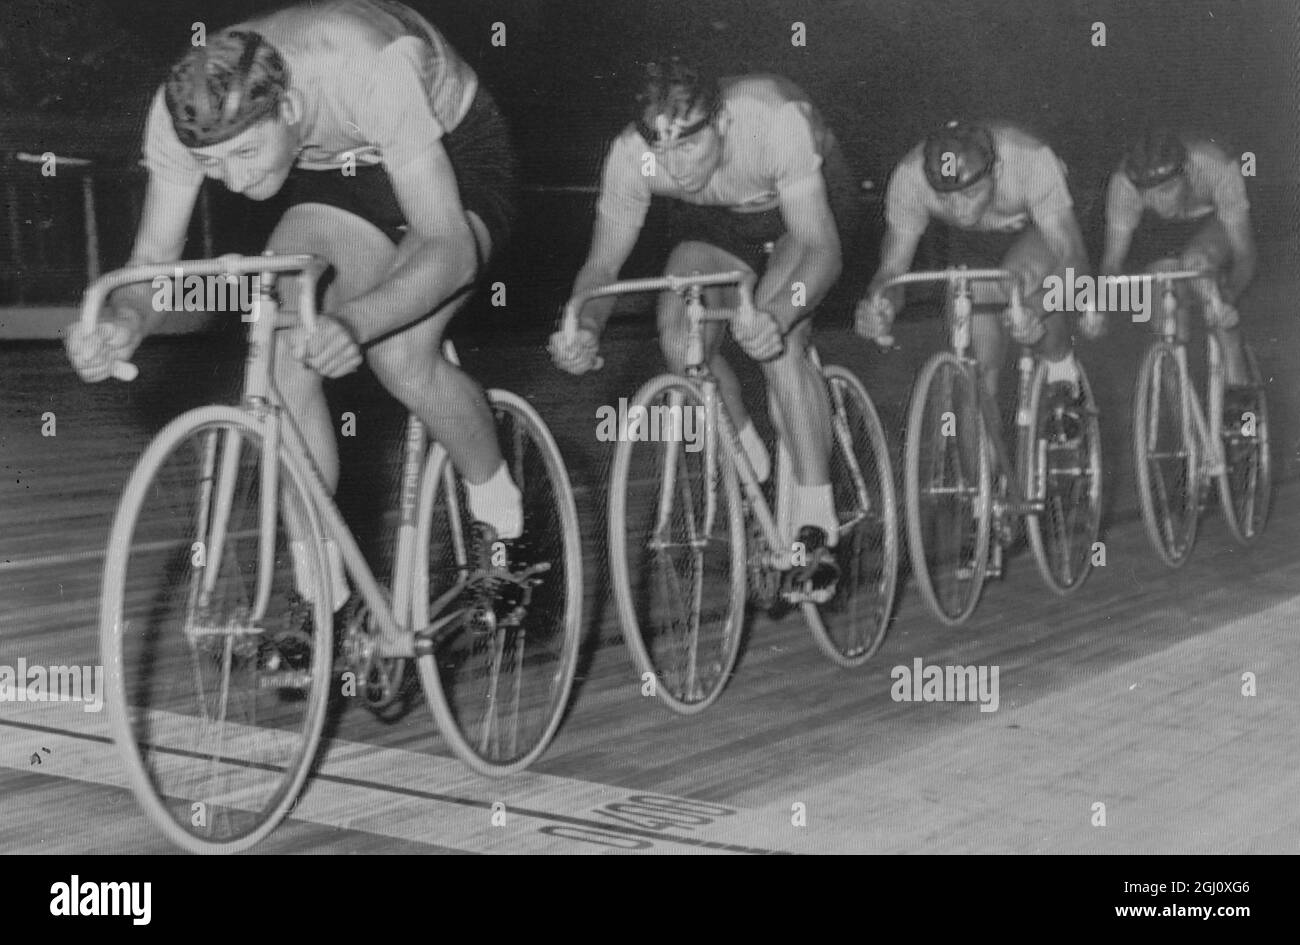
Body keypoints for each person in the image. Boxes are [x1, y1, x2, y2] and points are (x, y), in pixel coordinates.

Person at [64, 0, 521, 609]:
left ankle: (502, 520)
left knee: (401, 354)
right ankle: (321, 597)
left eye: (245, 155)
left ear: (291, 106)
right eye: (210, 164)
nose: (229, 182)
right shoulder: (181, 113)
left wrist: (354, 322)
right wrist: (122, 322)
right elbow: (153, 264)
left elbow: (449, 250)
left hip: (450, 152)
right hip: (332, 165)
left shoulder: (368, 67)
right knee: (280, 350)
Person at [550, 59, 864, 602]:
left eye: (688, 146)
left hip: (804, 215)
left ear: (720, 123)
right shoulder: (632, 154)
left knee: (777, 337)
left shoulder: (772, 118)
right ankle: (750, 461)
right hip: (719, 222)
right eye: (661, 151)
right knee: (680, 337)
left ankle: (816, 524)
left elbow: (822, 250)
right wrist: (584, 325)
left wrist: (782, 316)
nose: (675, 167)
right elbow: (602, 269)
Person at [857, 120, 1092, 419]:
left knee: (1020, 285)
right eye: (944, 198)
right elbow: (892, 271)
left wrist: (1037, 308)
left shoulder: (1029, 158)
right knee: (979, 371)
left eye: (969, 194)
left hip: (1037, 230)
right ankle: (981, 462)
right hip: (972, 245)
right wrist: (881, 305)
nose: (958, 209)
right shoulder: (909, 177)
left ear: (997, 171)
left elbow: (1075, 260)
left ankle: (1061, 364)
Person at [1097, 128, 1257, 402]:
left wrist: (1228, 299)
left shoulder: (1216, 165)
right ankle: (1187, 424)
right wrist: (1097, 307)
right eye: (1149, 194)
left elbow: (1245, 254)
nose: (1159, 201)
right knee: (1166, 318)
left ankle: (1240, 403)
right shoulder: (1124, 184)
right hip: (1161, 236)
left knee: (1204, 273)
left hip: (1211, 222)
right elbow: (1111, 263)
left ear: (1187, 172)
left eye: (1167, 189)